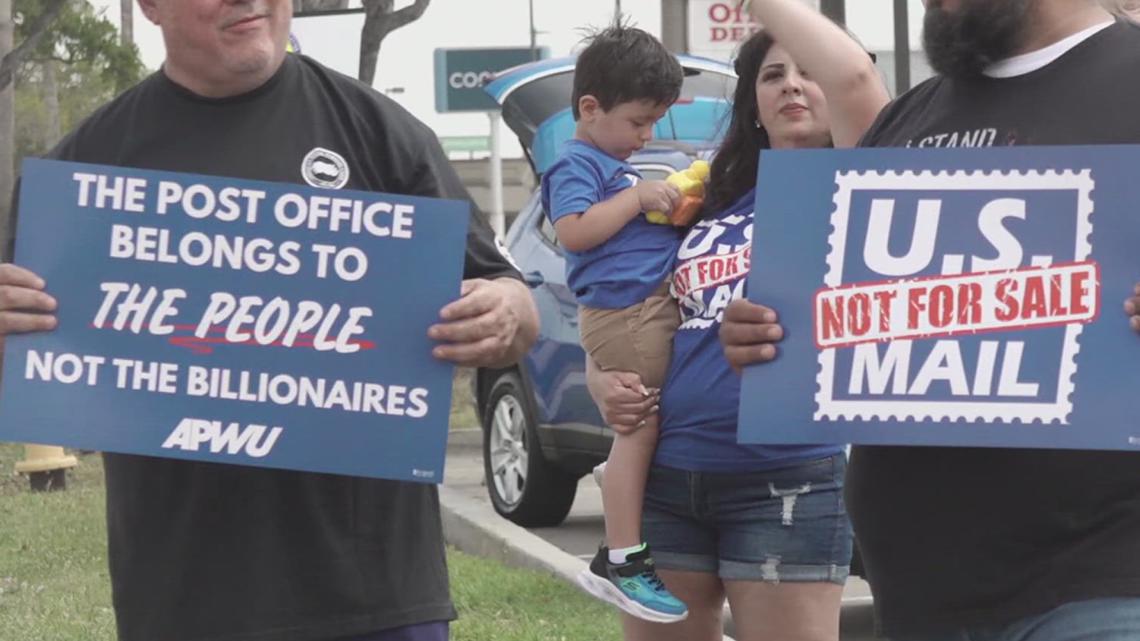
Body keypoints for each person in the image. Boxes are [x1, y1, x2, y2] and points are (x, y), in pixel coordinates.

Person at [0, 1, 539, 640]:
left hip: (377, 594)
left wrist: (506, 311)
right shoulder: (84, 170)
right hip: (184, 600)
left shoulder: (380, 133)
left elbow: (513, 305)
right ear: (149, 6)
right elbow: (31, 363)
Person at [720, 1, 1140, 640]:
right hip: (920, 593)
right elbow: (845, 327)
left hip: (1101, 584)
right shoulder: (912, 115)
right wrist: (767, 339)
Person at [584, 1, 888, 639]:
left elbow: (859, 82)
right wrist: (599, 376)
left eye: (809, 73)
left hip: (790, 477)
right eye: (773, 75)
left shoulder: (863, 186)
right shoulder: (705, 198)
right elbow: (629, 301)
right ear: (753, 103)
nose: (792, 86)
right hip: (667, 473)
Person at [540, 23, 689, 623]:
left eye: (654, 123)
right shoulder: (576, 165)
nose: (645, 136)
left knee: (645, 425)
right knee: (640, 425)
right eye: (638, 122)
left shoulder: (609, 163)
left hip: (640, 311)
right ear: (589, 108)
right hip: (623, 315)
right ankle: (623, 559)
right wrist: (636, 199)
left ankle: (623, 499)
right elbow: (574, 232)